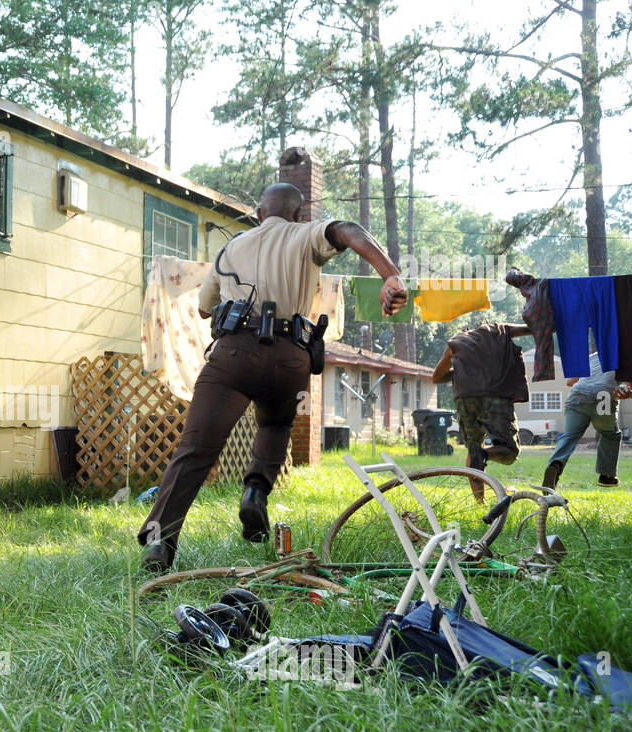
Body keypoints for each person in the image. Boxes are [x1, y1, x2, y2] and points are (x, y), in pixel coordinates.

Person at [139, 183, 409, 572]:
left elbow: (204, 308)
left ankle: (161, 541)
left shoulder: (231, 248)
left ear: (259, 214)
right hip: (290, 360)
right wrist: (391, 275)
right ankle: (255, 491)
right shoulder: (307, 235)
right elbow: (350, 230)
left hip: (234, 355)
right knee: (276, 425)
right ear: (299, 214)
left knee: (195, 449)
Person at [430, 322, 532, 471]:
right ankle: (483, 454)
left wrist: (464, 371)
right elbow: (531, 328)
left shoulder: (456, 342)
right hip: (494, 395)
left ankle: (477, 481)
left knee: (474, 448)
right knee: (510, 451)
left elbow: (437, 377)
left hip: (465, 399)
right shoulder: (499, 330)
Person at [542, 353, 632, 489]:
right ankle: (607, 476)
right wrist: (628, 392)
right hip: (604, 398)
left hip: (578, 395)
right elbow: (629, 389)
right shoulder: (625, 357)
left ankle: (555, 464)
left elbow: (570, 382)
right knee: (610, 434)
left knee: (570, 435)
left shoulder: (590, 357)